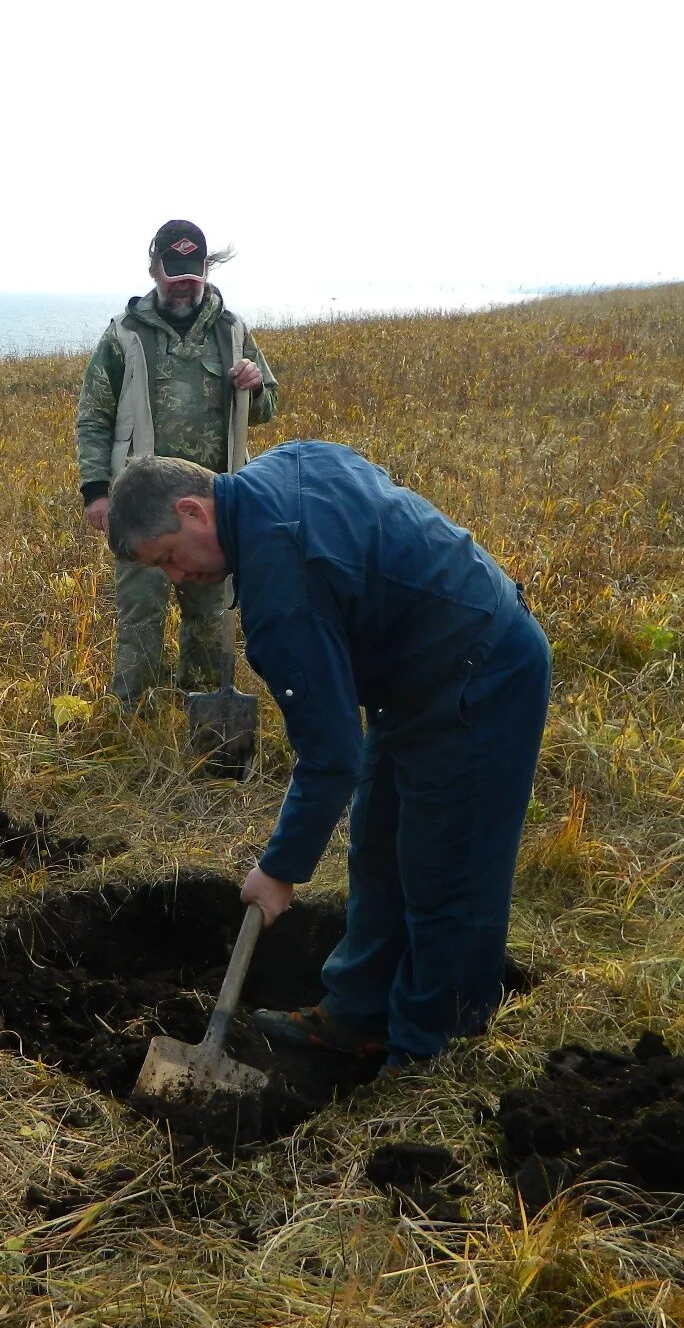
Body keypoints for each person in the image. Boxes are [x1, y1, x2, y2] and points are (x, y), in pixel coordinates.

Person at [106, 443, 551, 1071]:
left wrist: (280, 869)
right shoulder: (282, 465)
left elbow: (331, 755)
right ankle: (358, 1013)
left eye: (170, 558)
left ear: (193, 510)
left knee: (448, 869)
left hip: (484, 675)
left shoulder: (281, 591)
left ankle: (432, 1048)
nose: (177, 578)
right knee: (376, 847)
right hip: (416, 678)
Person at [75, 220, 277, 703]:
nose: (184, 282)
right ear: (154, 269)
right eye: (174, 272)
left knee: (210, 614)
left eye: (193, 272)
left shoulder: (233, 330)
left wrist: (254, 384)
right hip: (141, 506)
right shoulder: (123, 334)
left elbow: (266, 408)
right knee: (139, 612)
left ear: (206, 270)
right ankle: (133, 712)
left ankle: (205, 709)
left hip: (213, 510)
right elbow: (93, 416)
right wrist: (96, 492)